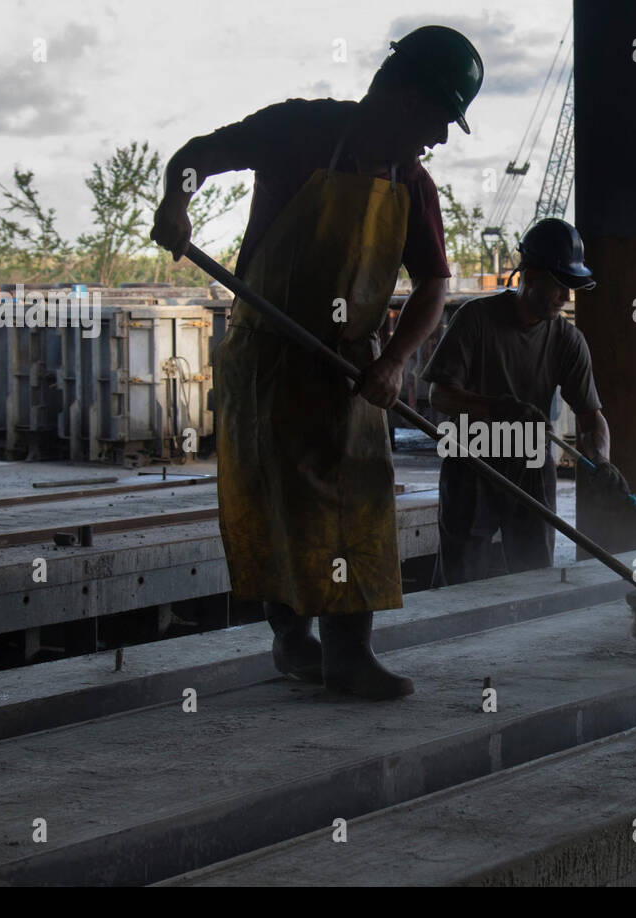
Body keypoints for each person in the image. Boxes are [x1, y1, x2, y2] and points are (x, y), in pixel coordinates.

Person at [151, 26, 484, 700]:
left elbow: (433, 286)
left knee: (357, 499)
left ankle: (349, 655)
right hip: (268, 358)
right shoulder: (296, 130)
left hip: (351, 370)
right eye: (438, 118)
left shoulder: (412, 185)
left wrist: (394, 363)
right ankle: (291, 639)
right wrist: (175, 200)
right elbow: (197, 156)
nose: (441, 140)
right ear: (401, 93)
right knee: (275, 500)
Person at [422, 217, 628, 585]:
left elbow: (590, 417)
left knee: (533, 576)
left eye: (571, 288)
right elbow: (440, 395)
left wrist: (601, 459)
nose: (566, 298)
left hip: (531, 463)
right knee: (460, 579)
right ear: (529, 278)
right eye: (560, 287)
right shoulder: (475, 319)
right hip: (472, 460)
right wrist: (500, 409)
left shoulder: (567, 340)